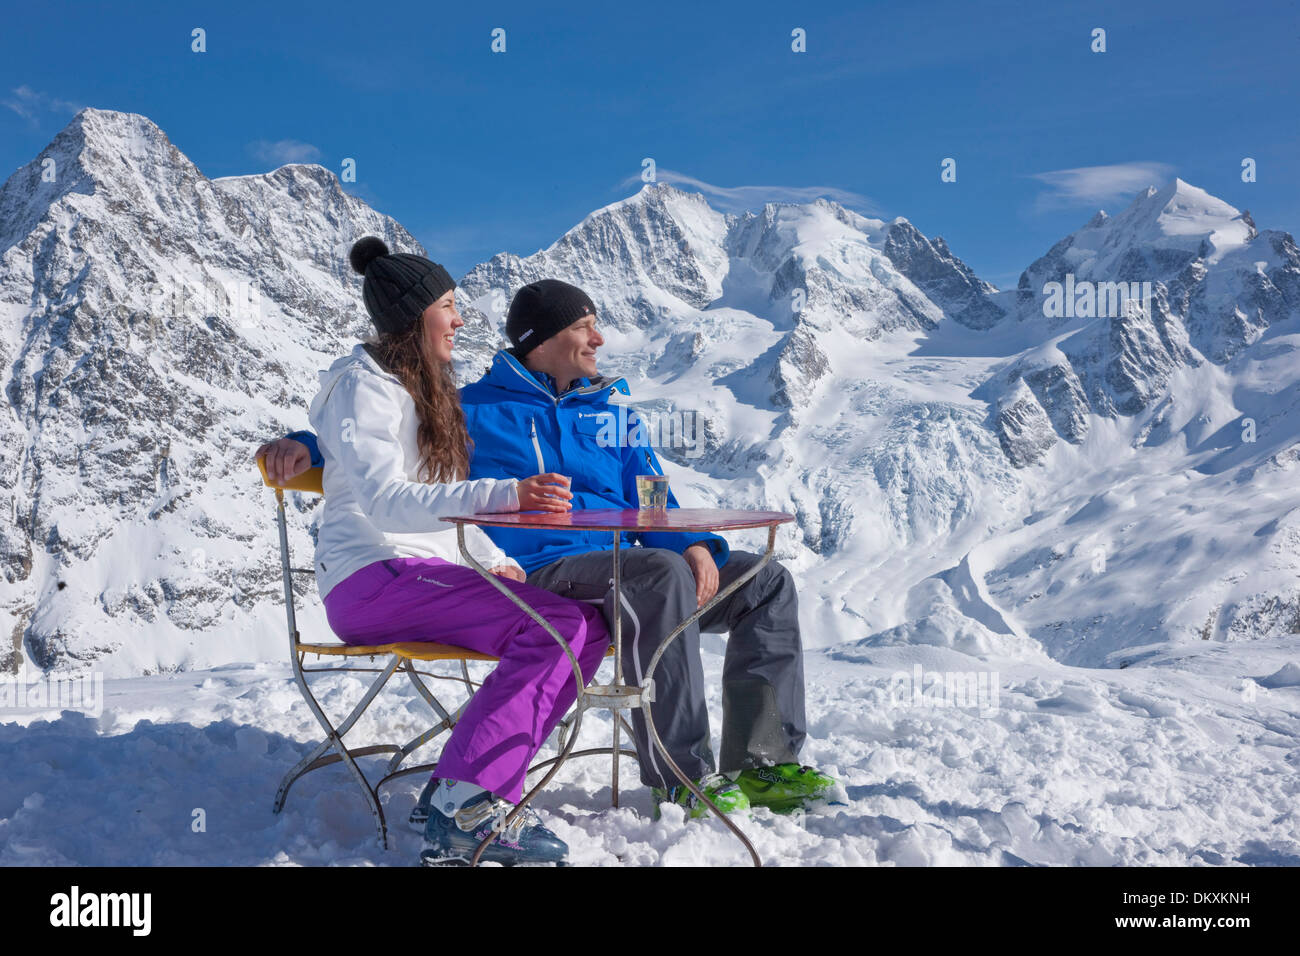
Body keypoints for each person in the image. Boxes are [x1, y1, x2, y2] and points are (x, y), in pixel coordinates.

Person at [260, 276, 837, 822]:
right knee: (658, 575)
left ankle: (765, 765)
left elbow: (653, 498)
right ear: (543, 340)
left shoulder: (613, 414)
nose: (599, 338)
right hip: (538, 576)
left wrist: (695, 545)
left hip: (634, 568)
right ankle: (680, 777)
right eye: (585, 325)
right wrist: (305, 445)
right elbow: (378, 440)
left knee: (763, 580)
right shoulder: (470, 411)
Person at [259, 238, 610, 866]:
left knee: (587, 626)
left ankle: (461, 785)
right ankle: (465, 807)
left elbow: (434, 502)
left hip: (418, 571)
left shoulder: (417, 390)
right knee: (555, 626)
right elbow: (388, 501)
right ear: (415, 315)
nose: (461, 318)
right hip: (371, 578)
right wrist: (507, 494)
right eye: (449, 305)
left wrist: (482, 549)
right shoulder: (362, 386)